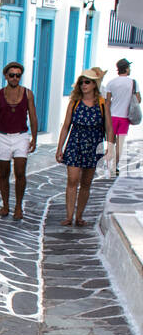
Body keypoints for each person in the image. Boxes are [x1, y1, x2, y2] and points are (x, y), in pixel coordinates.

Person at [55, 67, 114, 226]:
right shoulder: (74, 103)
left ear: (94, 84)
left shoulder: (102, 104)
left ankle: (79, 216)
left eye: (87, 82)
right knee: (72, 179)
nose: (83, 85)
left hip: (94, 146)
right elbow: (66, 126)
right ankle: (69, 216)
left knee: (86, 183)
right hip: (76, 143)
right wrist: (60, 147)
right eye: (81, 82)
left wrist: (110, 147)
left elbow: (109, 127)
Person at [0, 62, 38, 221]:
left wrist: (34, 137)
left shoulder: (28, 94)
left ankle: (18, 207)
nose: (15, 78)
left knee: (20, 172)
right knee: (4, 173)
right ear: (6, 76)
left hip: (21, 136)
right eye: (12, 75)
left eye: (18, 75)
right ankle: (6, 205)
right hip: (2, 136)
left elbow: (33, 116)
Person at [104, 58, 140, 173]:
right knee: (120, 144)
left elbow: (107, 102)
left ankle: (107, 165)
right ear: (126, 68)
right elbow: (138, 100)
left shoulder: (111, 83)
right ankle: (115, 167)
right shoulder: (133, 82)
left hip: (112, 117)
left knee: (110, 143)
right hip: (125, 118)